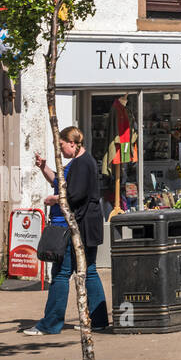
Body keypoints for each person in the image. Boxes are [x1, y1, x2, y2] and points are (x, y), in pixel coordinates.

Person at [23, 126, 107, 335]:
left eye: (61, 145)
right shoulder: (79, 163)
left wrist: (53, 200)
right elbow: (62, 185)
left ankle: (50, 323)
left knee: (60, 274)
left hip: (74, 226)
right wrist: (44, 168)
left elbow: (74, 195)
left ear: (72, 143)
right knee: (89, 271)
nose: (60, 150)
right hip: (84, 226)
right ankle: (98, 319)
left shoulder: (82, 163)